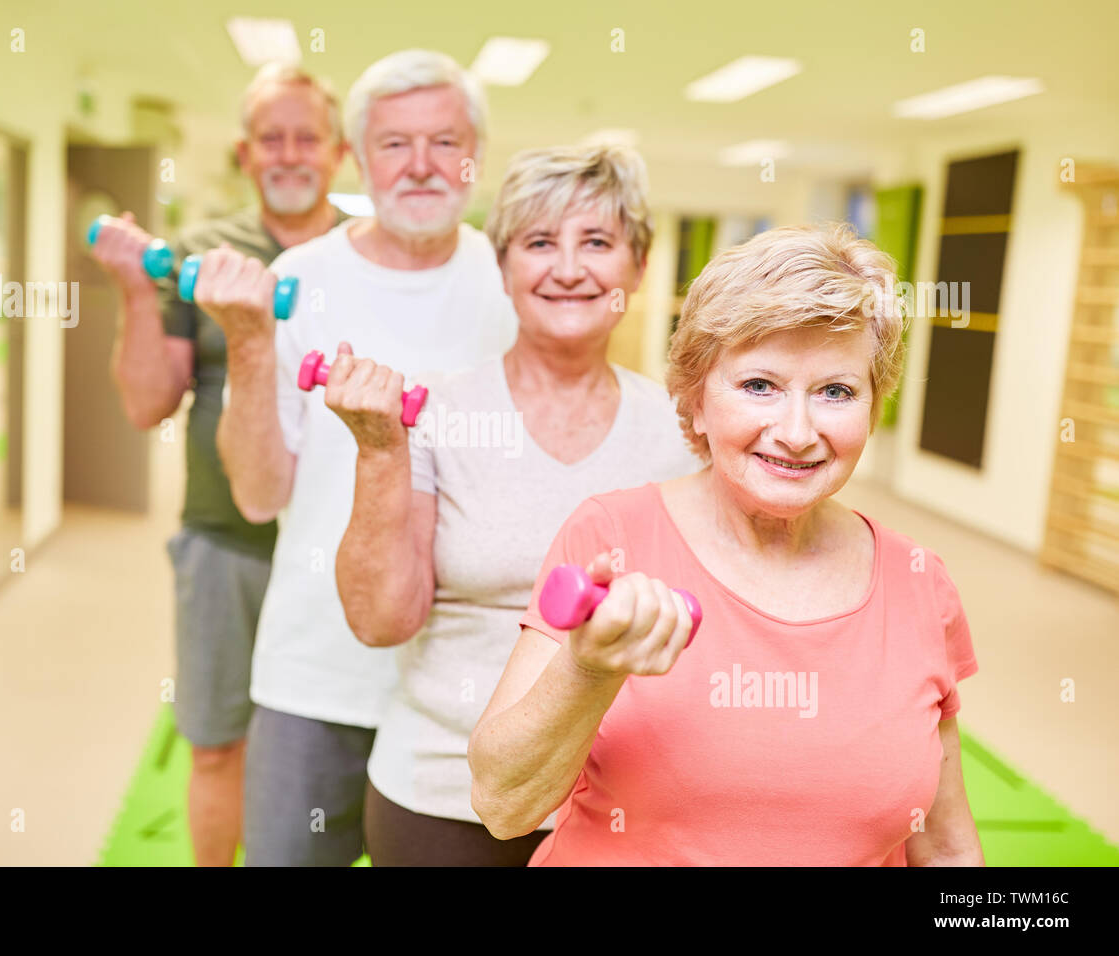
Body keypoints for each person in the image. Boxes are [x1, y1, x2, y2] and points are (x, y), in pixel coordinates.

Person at [469, 222, 984, 866]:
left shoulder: (919, 581)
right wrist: (590, 669)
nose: (796, 433)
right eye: (759, 385)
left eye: (836, 392)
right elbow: (502, 802)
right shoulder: (611, 537)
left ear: (873, 409)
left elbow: (944, 848)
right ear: (695, 402)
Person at [322, 143, 703, 865]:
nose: (567, 268)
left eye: (596, 241)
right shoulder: (433, 410)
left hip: (626, 803)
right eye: (538, 243)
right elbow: (379, 621)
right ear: (502, 269)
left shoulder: (683, 432)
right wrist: (379, 450)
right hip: (442, 791)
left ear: (638, 266)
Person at [195, 49, 517, 866]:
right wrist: (246, 340)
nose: (419, 166)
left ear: (476, 155)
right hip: (315, 678)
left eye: (445, 142)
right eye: (394, 144)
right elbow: (260, 494)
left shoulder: (513, 281)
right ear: (360, 157)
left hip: (465, 688)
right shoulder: (299, 277)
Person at [88, 63, 345, 866]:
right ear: (245, 153)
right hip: (224, 543)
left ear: (339, 152)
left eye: (308, 137)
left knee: (332, 748)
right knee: (216, 746)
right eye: (272, 138)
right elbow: (144, 405)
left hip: (342, 555)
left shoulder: (369, 257)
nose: (290, 154)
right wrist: (136, 290)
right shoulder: (199, 253)